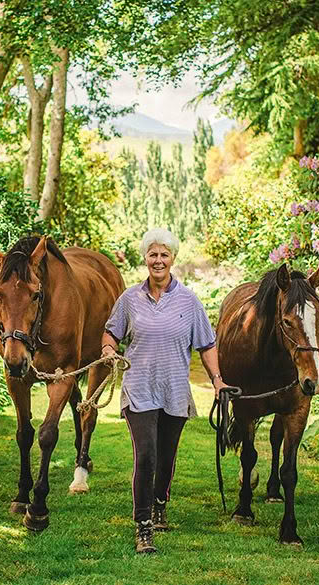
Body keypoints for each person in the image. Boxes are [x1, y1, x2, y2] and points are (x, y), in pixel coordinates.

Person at [101, 228, 226, 554]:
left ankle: (159, 503)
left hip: (173, 392)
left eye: (164, 255)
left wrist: (216, 379)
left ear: (172, 259)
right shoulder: (129, 299)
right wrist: (108, 350)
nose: (158, 260)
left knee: (166, 457)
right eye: (153, 254)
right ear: (145, 258)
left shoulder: (189, 301)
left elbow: (207, 344)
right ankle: (143, 527)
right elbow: (110, 334)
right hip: (139, 389)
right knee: (147, 455)